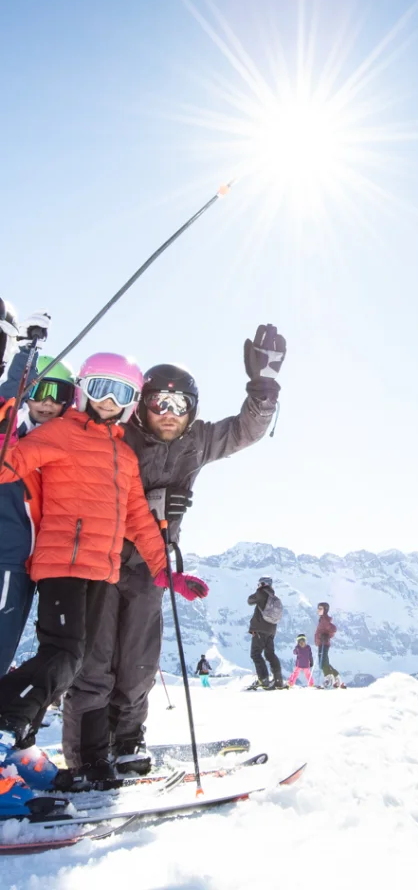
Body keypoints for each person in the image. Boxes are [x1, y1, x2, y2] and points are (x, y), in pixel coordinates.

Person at [62, 324, 286, 774]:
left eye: (180, 405)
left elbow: (246, 430)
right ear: (141, 406)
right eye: (159, 403)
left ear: (192, 411)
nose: (169, 413)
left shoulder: (196, 441)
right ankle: (86, 755)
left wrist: (264, 388)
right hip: (101, 560)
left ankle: (126, 742)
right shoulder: (118, 435)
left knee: (138, 662)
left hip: (152, 567)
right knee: (96, 662)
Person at [0, 351, 209, 814]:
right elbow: (7, 463)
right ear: (83, 389)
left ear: (133, 401)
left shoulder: (124, 454)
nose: (108, 402)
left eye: (120, 393)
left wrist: (163, 571)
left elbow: (138, 518)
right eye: (99, 388)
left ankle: (19, 737)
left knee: (73, 664)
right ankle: (6, 726)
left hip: (102, 569)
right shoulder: (60, 433)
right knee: (65, 655)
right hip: (62, 564)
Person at [0, 307, 76, 675]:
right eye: (38, 390)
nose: (46, 402)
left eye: (56, 392)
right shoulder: (14, 435)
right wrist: (25, 354)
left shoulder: (67, 444)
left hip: (38, 565)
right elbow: (5, 409)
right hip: (8, 557)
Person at [247, 576, 283, 689]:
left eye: (259, 584)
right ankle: (278, 680)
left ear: (263, 584)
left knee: (255, 654)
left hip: (260, 630)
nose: (258, 586)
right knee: (270, 654)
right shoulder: (274, 598)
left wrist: (258, 591)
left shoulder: (261, 593)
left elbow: (250, 600)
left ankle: (263, 679)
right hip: (271, 630)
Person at [315, 602, 342, 688]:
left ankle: (328, 680)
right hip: (321, 643)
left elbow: (333, 629)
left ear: (325, 610)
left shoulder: (325, 620)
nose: (318, 610)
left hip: (324, 644)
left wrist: (327, 636)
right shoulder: (322, 619)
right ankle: (336, 677)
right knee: (324, 662)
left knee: (323, 663)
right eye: (318, 608)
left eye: (320, 608)